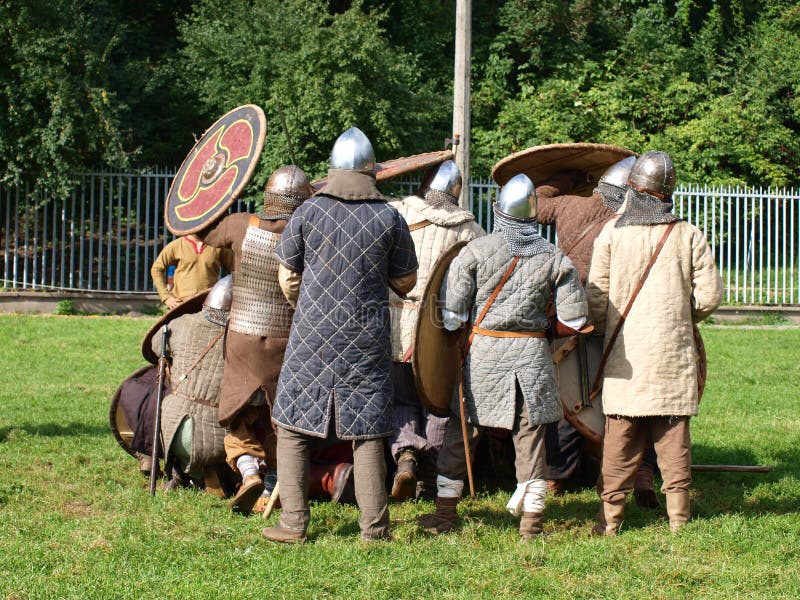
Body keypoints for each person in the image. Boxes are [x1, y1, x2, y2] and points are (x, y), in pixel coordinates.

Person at [262, 127, 418, 544]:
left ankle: (294, 524)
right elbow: (406, 281)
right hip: (367, 335)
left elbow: (288, 276)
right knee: (366, 430)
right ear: (371, 172)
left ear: (332, 170)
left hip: (310, 334)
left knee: (293, 425)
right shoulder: (389, 216)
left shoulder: (307, 212)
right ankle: (375, 529)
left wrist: (310, 306)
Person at [418, 173, 588, 540]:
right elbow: (575, 318)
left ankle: (446, 514)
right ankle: (532, 525)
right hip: (532, 357)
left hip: (483, 356)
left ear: (499, 212)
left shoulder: (475, 252)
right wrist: (540, 322)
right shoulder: (553, 257)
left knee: (461, 434)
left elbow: (452, 317)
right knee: (530, 438)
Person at [587, 151, 722, 535]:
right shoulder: (688, 234)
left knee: (620, 440)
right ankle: (678, 520)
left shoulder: (612, 232)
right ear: (667, 194)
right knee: (673, 439)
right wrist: (681, 315)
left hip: (624, 356)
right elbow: (710, 296)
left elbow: (596, 298)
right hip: (672, 355)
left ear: (633, 189)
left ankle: (610, 521)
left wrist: (604, 326)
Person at [534, 158, 662, 507]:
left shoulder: (570, 205)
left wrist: (563, 179)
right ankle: (641, 470)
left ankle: (556, 476)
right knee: (633, 399)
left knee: (568, 397)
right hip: (622, 322)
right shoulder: (636, 223)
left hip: (570, 317)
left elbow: (533, 201)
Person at [200, 165, 312, 515]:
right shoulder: (307, 232)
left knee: (239, 416)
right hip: (286, 341)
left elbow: (202, 231)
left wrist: (219, 193)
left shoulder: (240, 225)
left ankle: (248, 471)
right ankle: (273, 484)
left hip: (243, 339)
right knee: (284, 421)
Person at [387, 160, 486, 500]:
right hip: (439, 330)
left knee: (401, 398)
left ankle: (406, 456)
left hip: (395, 327)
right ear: (456, 195)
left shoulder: (398, 213)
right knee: (438, 404)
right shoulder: (470, 232)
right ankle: (432, 474)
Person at [149, 276, 235, 496]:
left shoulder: (181, 323)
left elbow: (155, 346)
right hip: (216, 440)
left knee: (150, 385)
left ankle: (175, 469)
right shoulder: (243, 338)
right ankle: (212, 471)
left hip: (167, 429)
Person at [151, 234, 233, 310]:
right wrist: (166, 296)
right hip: (180, 305)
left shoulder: (218, 246)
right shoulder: (176, 246)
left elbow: (236, 271)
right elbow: (156, 269)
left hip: (210, 304)